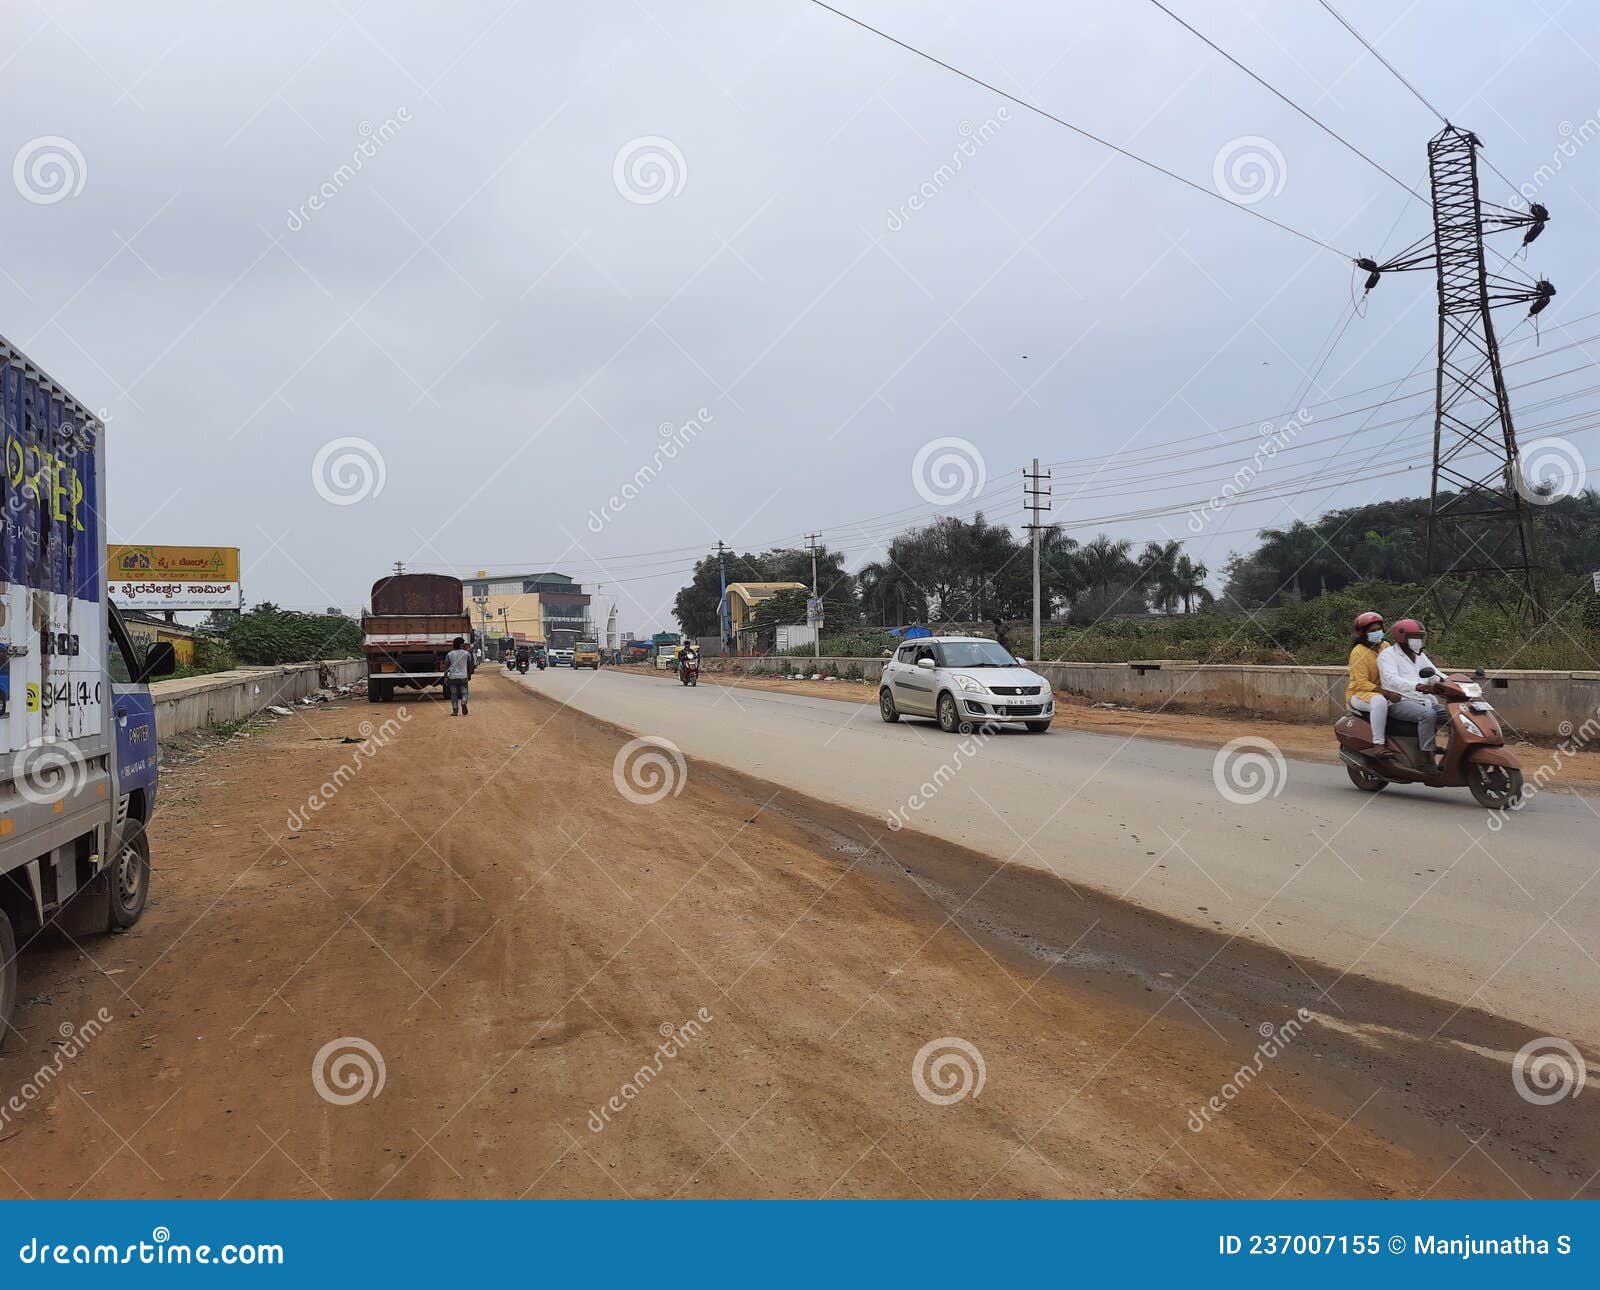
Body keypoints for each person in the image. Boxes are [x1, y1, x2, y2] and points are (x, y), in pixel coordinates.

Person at [1378, 617, 1449, 757]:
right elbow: (1392, 679)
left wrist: (1451, 682)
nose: (1418, 641)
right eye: (1414, 637)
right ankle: (1426, 755)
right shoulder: (1388, 655)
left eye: (1420, 637)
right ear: (1402, 637)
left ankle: (1455, 752)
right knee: (1427, 715)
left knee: (1454, 715)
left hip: (1423, 700)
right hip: (1400, 702)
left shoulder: (1420, 655)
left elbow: (1434, 673)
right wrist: (1417, 686)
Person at [1345, 611, 1393, 756]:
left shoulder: (1386, 646)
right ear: (1363, 634)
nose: (1377, 633)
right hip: (1360, 694)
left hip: (1385, 690)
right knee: (1379, 702)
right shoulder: (1358, 652)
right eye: (1373, 631)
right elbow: (1360, 682)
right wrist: (1385, 693)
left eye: (1379, 629)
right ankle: (1378, 744)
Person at [444, 635, 475, 717]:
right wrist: (469, 674)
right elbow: (470, 665)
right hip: (463, 676)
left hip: (452, 677)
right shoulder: (466, 653)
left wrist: (446, 677)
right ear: (461, 645)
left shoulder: (449, 654)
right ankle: (463, 702)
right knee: (464, 692)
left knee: (454, 694)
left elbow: (446, 666)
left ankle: (455, 711)